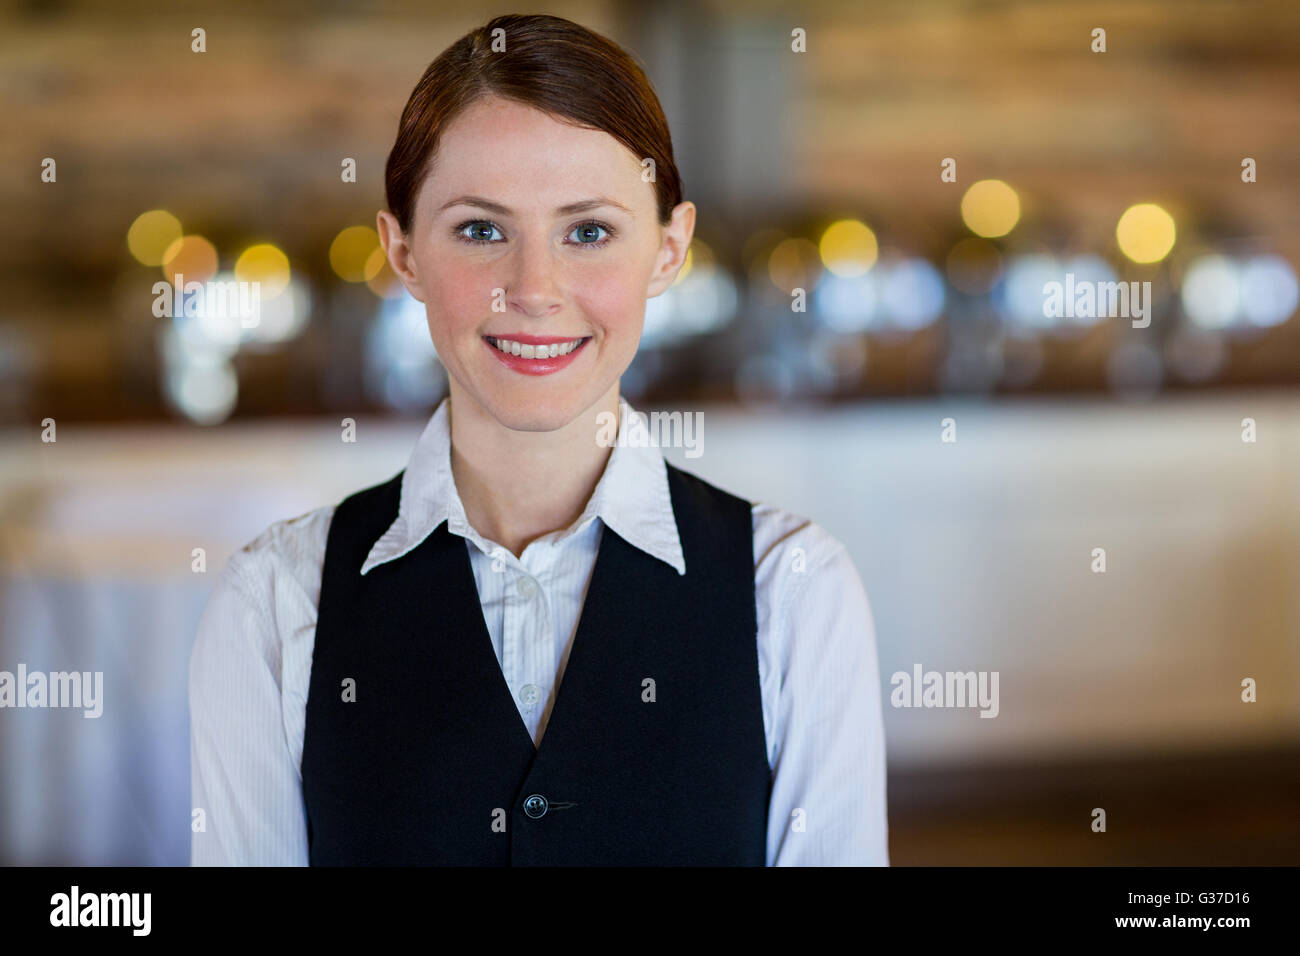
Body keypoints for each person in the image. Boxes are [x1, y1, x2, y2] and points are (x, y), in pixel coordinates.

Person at [189, 12, 887, 866]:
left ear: (668, 251)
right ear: (402, 251)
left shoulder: (793, 593)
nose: (535, 289)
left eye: (588, 231)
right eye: (481, 230)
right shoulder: (273, 603)